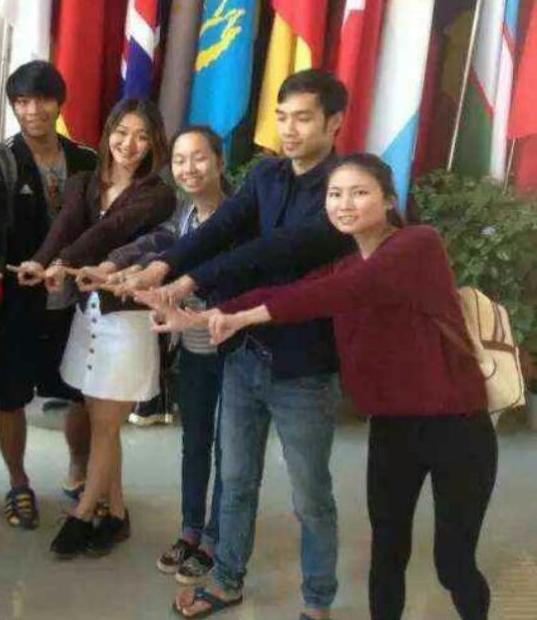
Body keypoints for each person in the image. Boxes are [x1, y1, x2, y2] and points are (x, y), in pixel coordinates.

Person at [151, 154, 495, 620]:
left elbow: (337, 294)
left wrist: (242, 318)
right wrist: (195, 314)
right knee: (387, 555)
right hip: (393, 429)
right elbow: (284, 293)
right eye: (335, 194)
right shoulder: (346, 262)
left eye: (360, 192)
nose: (345, 203)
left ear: (389, 200)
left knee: (453, 564)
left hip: (457, 427)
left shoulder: (418, 245)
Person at [117, 69, 356, 619]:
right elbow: (220, 227)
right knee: (237, 478)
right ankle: (225, 579)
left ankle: (317, 601)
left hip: (305, 366)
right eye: (282, 116)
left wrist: (186, 282)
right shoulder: (268, 174)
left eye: (303, 118)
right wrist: (162, 264)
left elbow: (276, 253)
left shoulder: (344, 189)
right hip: (246, 352)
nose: (289, 129)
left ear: (335, 122)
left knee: (310, 496)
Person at [14, 97, 174, 557]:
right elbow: (65, 226)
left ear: (153, 145)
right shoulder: (84, 182)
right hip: (88, 315)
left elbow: (108, 231)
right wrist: (40, 261)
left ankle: (84, 513)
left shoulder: (155, 193)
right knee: (102, 422)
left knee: (105, 423)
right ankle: (117, 514)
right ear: (108, 132)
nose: (130, 144)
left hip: (128, 318)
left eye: (143, 136)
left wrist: (62, 261)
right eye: (123, 132)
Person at [86, 126, 230, 581]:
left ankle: (216, 538)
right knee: (195, 444)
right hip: (193, 349)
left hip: (236, 351)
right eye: (181, 160)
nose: (189, 169)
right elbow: (153, 246)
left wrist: (177, 290)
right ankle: (190, 530)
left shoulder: (238, 217)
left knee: (232, 449)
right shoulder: (185, 216)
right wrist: (115, 267)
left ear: (220, 163)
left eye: (200, 158)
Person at [0, 60, 97, 530]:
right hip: (20, 296)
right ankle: (18, 482)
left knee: (79, 392)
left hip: (77, 295)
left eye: (43, 99)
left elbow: (104, 222)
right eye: (22, 101)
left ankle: (79, 469)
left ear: (59, 103)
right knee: (9, 395)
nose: (33, 109)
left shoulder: (87, 159)